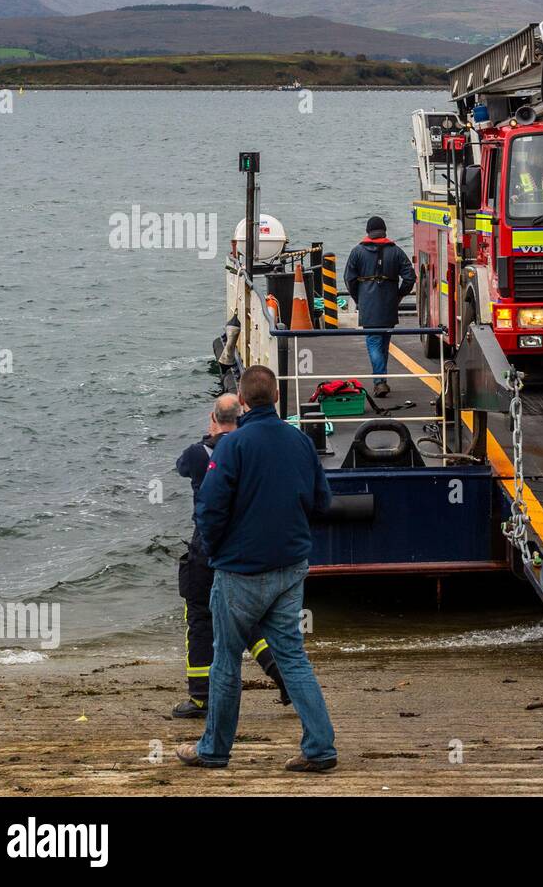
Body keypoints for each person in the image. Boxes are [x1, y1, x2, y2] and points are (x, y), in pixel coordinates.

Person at [177, 365, 337, 772]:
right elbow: (323, 501)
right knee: (294, 657)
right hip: (290, 566)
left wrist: (215, 552)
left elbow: (210, 509)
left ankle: (214, 749)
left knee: (226, 660)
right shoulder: (300, 441)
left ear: (243, 402)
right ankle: (319, 747)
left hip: (239, 570)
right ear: (279, 397)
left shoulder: (232, 446)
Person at [173, 394, 288, 718]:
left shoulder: (200, 453)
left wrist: (209, 436)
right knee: (244, 618)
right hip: (242, 548)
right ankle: (284, 676)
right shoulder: (248, 450)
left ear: (213, 418)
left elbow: (182, 466)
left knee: (198, 619)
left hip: (206, 547)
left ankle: (200, 696)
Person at [343, 216, 414, 399]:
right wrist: (399, 294)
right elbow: (410, 276)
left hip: (368, 304)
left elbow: (349, 279)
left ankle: (379, 381)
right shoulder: (396, 252)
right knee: (383, 343)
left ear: (368, 231)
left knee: (374, 342)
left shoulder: (357, 251)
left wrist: (358, 297)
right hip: (389, 303)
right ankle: (381, 378)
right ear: (384, 231)